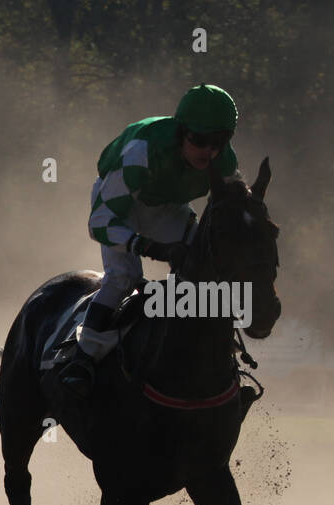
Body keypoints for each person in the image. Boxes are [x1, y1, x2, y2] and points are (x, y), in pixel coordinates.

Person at [62, 84, 240, 398]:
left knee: (204, 269)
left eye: (219, 142)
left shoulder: (224, 163)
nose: (208, 152)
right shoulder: (141, 152)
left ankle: (216, 360)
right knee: (124, 277)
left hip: (167, 205)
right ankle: (83, 357)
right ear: (181, 132)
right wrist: (150, 247)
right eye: (199, 141)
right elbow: (100, 223)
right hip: (121, 204)